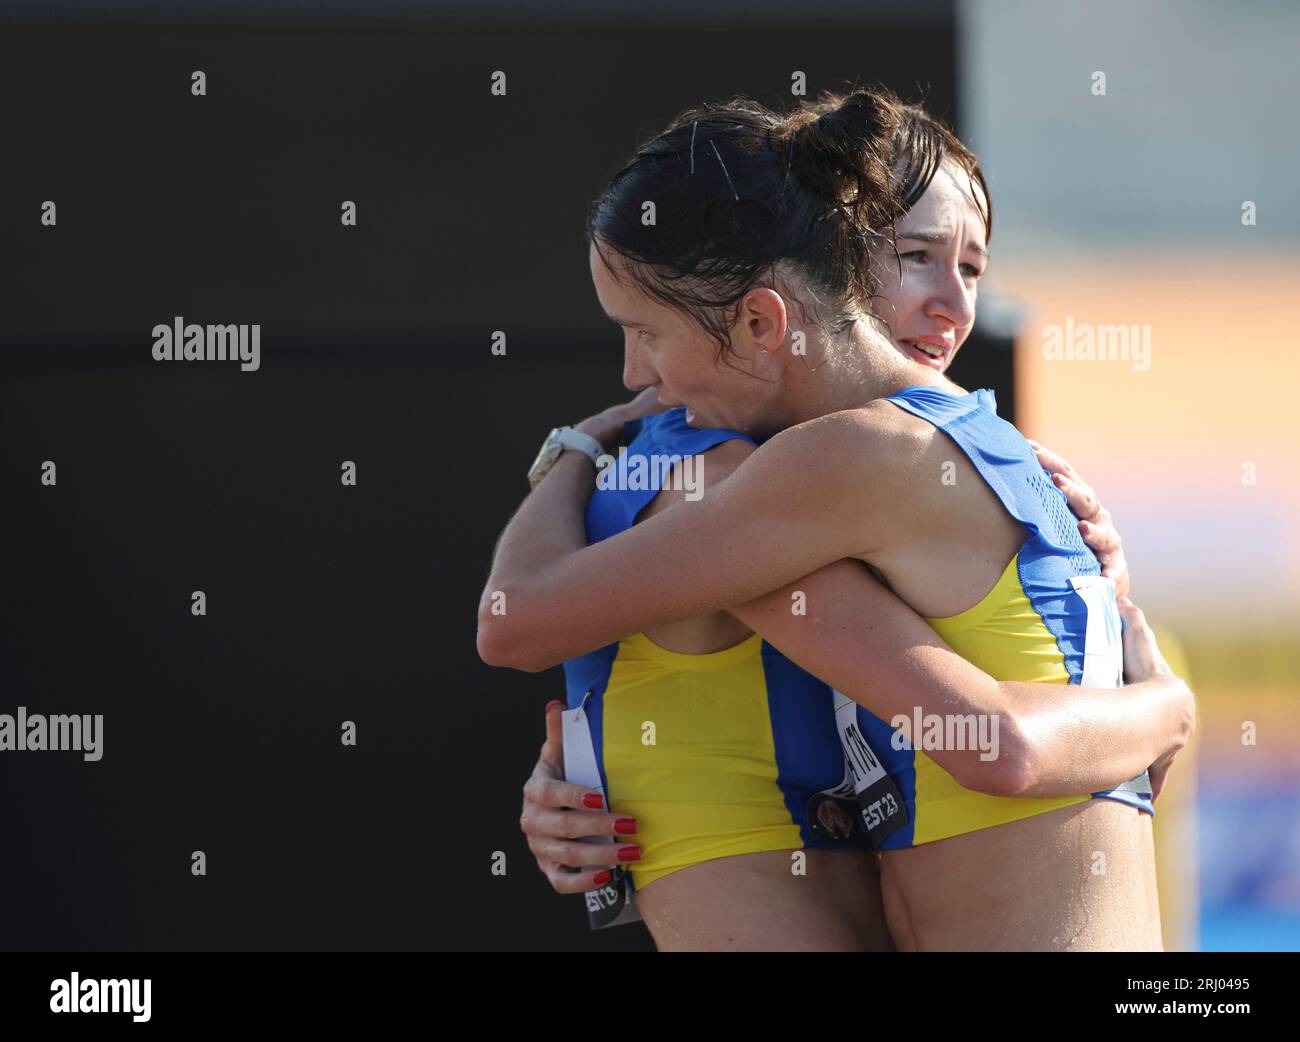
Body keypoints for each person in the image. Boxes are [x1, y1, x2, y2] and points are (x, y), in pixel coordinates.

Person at [479, 88, 1194, 951]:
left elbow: (1000, 747)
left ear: (765, 313)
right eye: (916, 255)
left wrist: (1172, 705)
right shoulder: (971, 450)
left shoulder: (832, 465)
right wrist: (587, 773)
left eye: (646, 333)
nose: (636, 377)